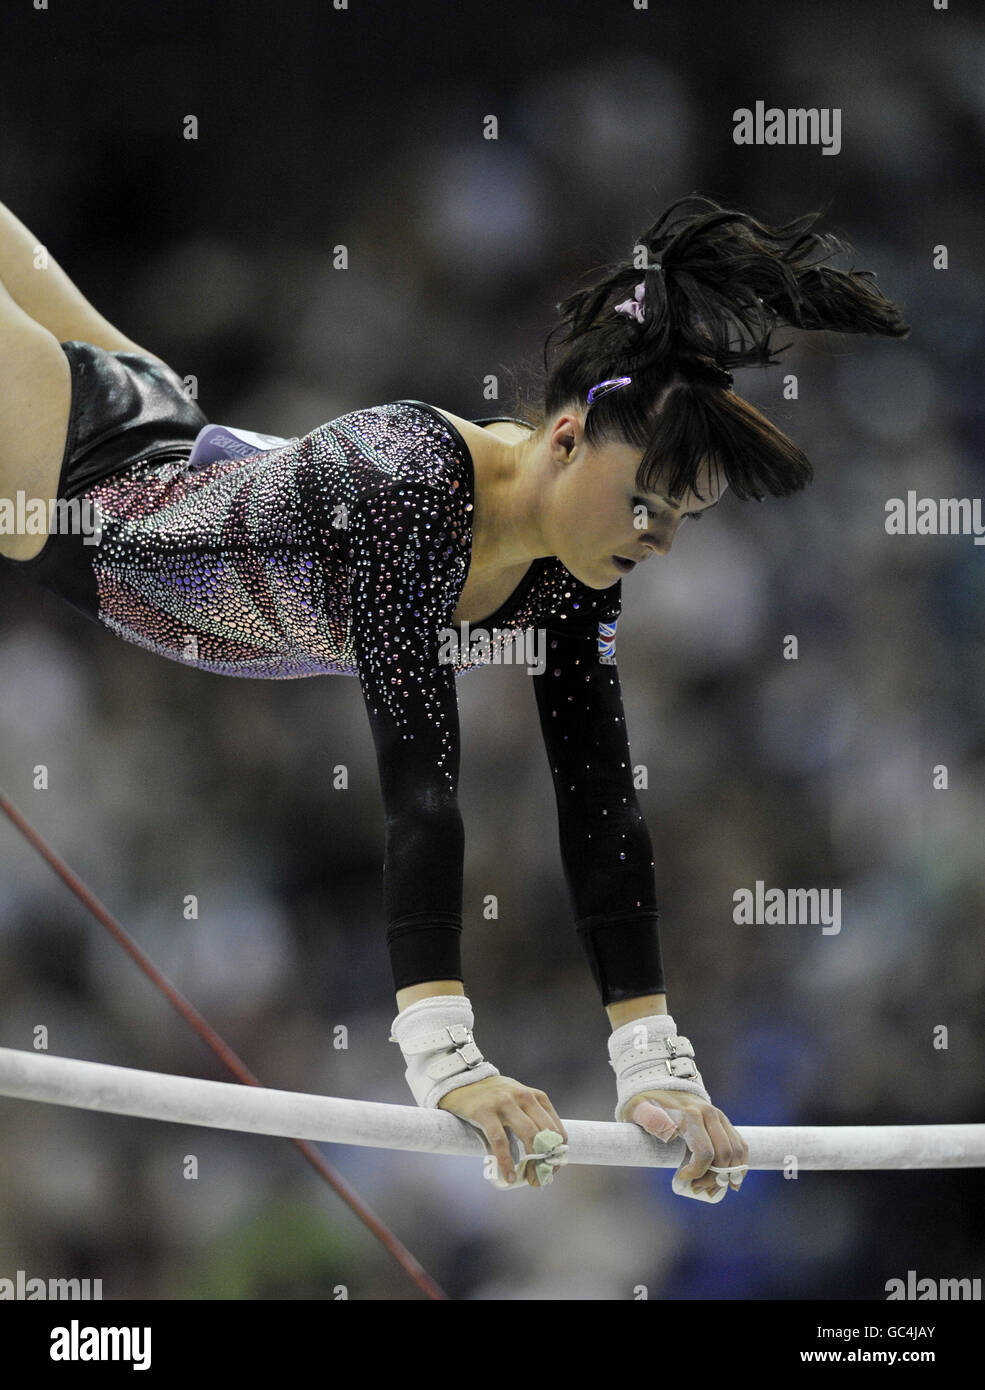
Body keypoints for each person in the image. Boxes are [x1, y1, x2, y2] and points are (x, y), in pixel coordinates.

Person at [0, 193, 909, 1198]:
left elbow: (601, 803)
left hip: (166, 426)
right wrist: (446, 1058)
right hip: (70, 470)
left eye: (682, 517)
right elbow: (420, 786)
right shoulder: (411, 483)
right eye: (646, 500)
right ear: (565, 438)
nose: (657, 538)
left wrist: (652, 1063)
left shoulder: (569, 576)